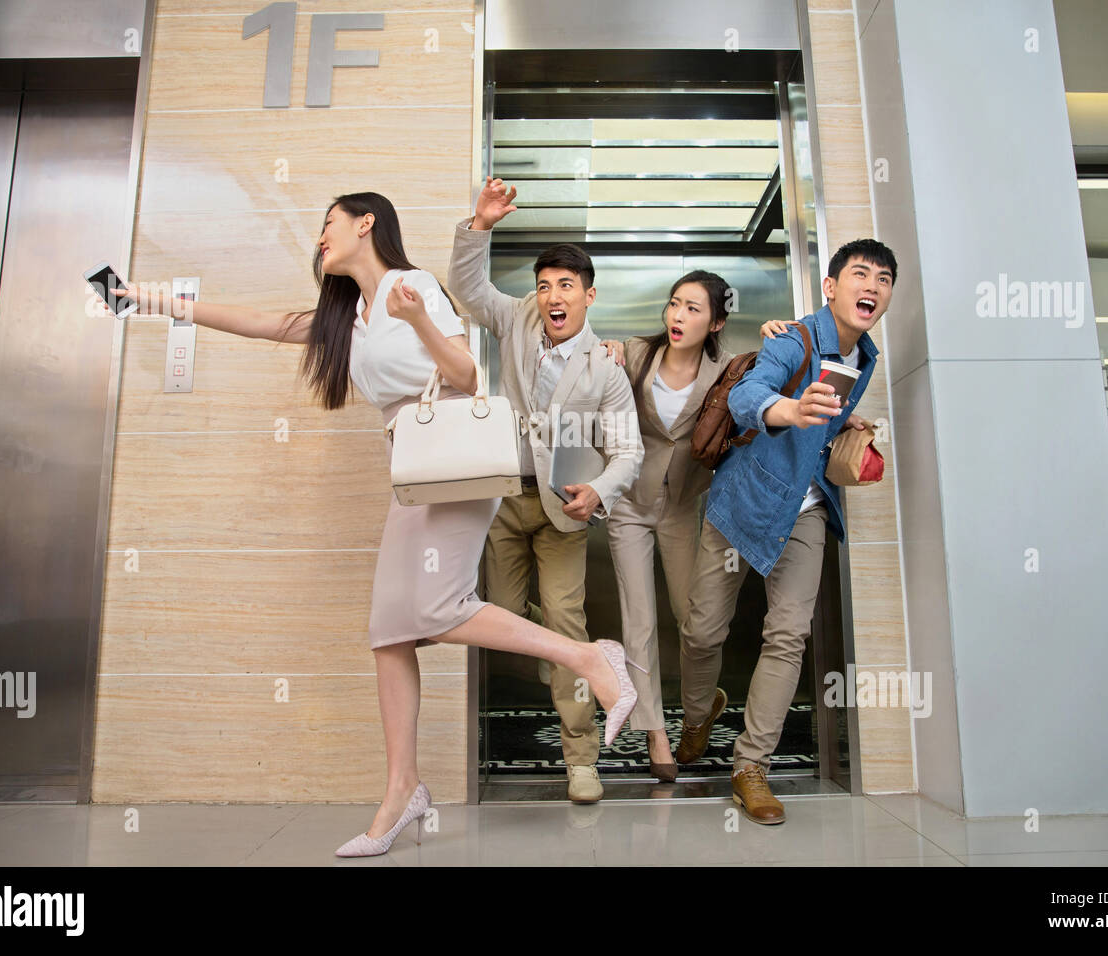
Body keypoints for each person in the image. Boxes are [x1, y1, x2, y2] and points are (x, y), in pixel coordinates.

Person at [111, 191, 643, 855]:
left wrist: (420, 320)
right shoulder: (349, 315)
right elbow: (265, 321)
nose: (320, 238)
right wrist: (150, 301)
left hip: (454, 466)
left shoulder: (411, 285)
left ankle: (588, 655)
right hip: (415, 476)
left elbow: (465, 372)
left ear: (366, 223)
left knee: (439, 608)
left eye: (328, 224)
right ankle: (404, 790)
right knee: (390, 631)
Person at [673, 238, 897, 825]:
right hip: (744, 501)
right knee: (702, 630)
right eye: (859, 274)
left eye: (883, 279)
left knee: (788, 634)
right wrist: (788, 410)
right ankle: (698, 715)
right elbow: (749, 393)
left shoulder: (865, 355)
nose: (871, 286)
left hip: (808, 508)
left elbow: (826, 414)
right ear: (830, 286)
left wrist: (844, 424)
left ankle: (751, 767)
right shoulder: (794, 338)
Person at [448, 177, 644, 804]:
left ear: (589, 295)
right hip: (505, 499)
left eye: (565, 286)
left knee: (566, 620)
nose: (552, 297)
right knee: (497, 616)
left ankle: (581, 758)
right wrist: (480, 226)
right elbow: (468, 290)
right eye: (544, 285)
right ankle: (564, 652)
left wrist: (600, 492)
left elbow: (628, 451)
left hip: (564, 510)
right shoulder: (517, 318)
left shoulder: (606, 370)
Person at [598, 281, 812, 780]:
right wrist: (600, 348)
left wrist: (773, 334)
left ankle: (700, 706)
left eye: (692, 309)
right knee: (640, 621)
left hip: (685, 507)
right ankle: (654, 734)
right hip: (629, 503)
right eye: (674, 303)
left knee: (693, 619)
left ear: (715, 322)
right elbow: (589, 365)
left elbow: (775, 384)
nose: (677, 315)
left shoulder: (729, 368)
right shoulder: (635, 354)